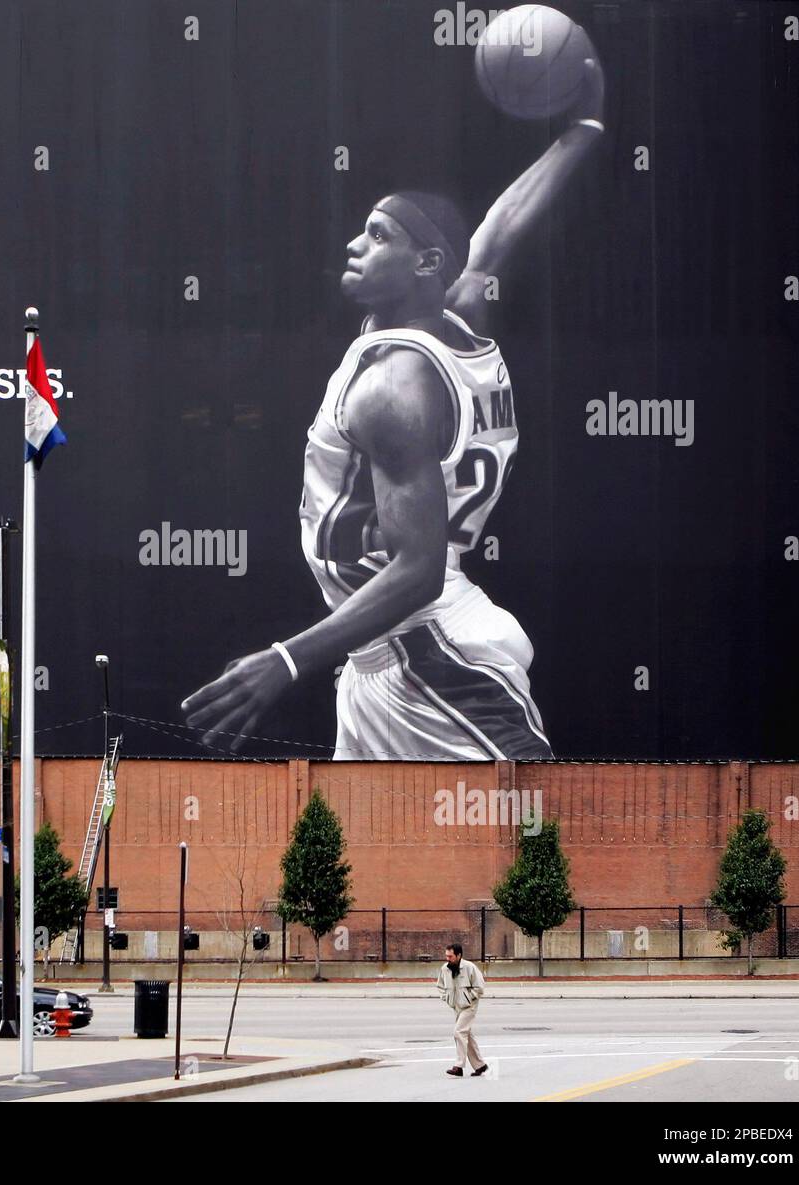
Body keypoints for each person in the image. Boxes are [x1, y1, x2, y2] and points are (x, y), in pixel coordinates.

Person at [183, 58, 605, 760]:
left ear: (425, 267)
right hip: (386, 656)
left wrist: (285, 661)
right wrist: (582, 131)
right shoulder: (459, 315)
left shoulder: (393, 389)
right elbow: (497, 235)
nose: (355, 242)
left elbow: (416, 567)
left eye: (380, 235)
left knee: (530, 845)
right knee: (367, 866)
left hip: (431, 653)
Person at [437, 942, 487, 1077]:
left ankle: (459, 1066)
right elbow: (440, 986)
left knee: (458, 1032)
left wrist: (469, 998)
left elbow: (480, 987)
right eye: (446, 956)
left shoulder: (470, 968)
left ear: (459, 955)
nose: (448, 959)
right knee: (466, 1035)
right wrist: (446, 998)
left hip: (469, 1006)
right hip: (456, 1007)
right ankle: (480, 1065)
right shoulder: (445, 969)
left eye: (450, 956)